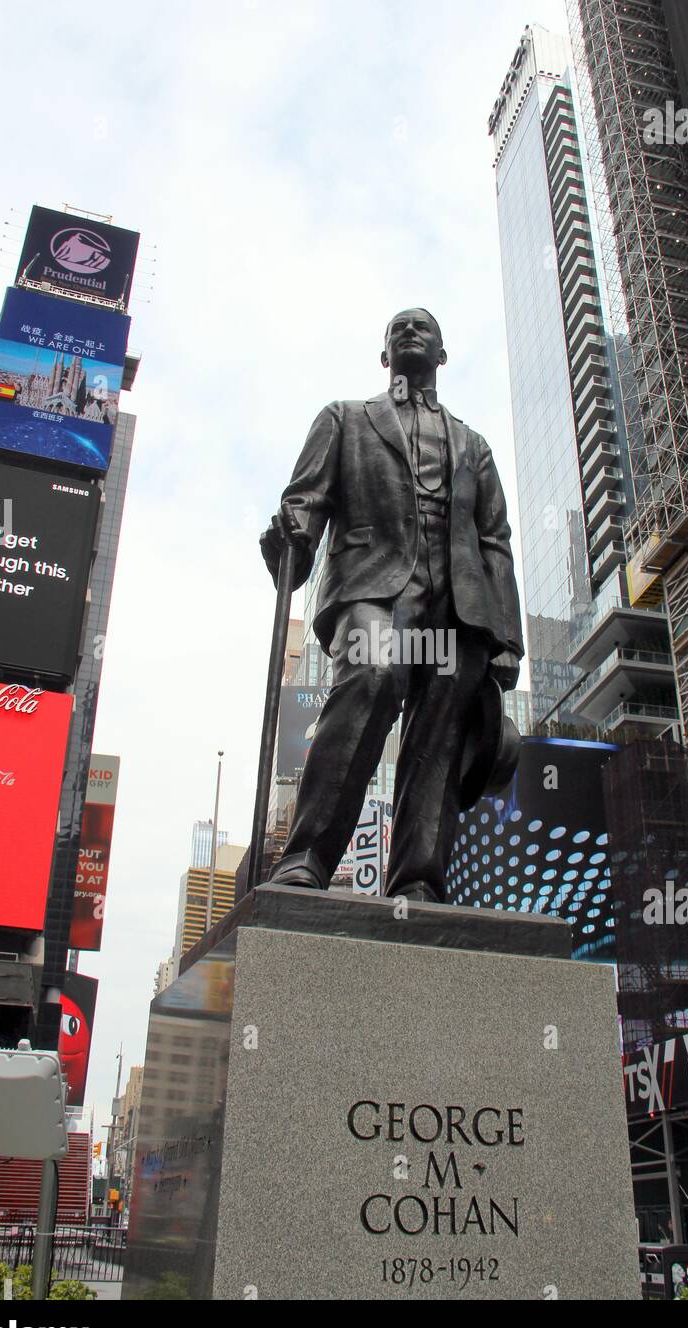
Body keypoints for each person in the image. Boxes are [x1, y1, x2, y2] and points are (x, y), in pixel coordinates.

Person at [260, 308, 523, 904]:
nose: (409, 332)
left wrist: (506, 638)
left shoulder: (473, 446)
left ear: (442, 354)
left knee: (441, 730)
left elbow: (495, 543)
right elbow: (304, 502)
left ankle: (419, 878)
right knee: (374, 677)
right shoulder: (345, 420)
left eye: (422, 326)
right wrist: (292, 537)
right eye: (397, 328)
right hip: (374, 588)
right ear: (384, 357)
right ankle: (306, 856)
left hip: (460, 606)